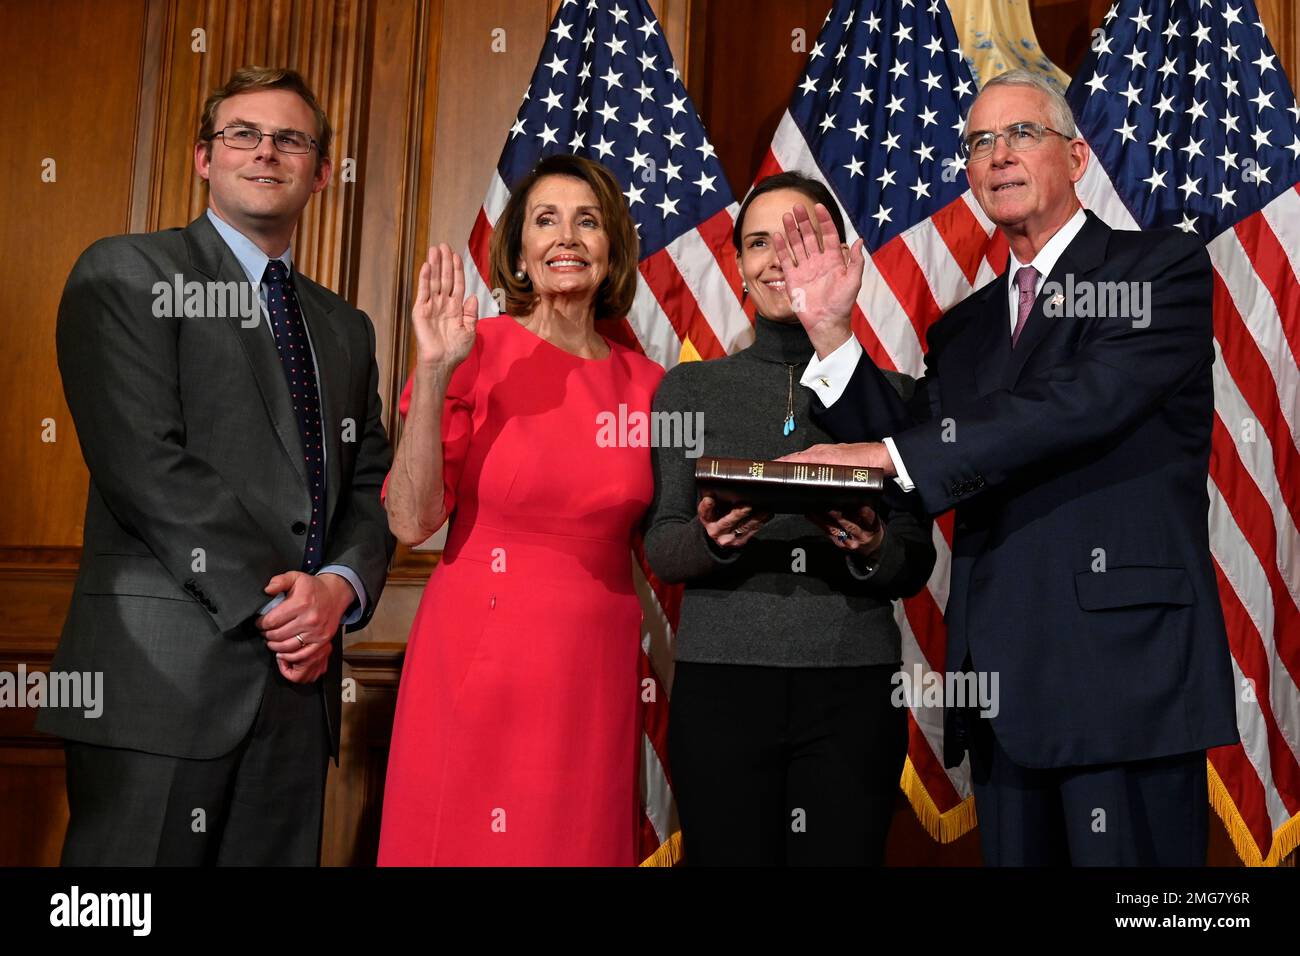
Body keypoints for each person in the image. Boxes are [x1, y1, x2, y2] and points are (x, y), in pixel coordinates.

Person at [780, 70, 1239, 865]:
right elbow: (922, 452)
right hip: (1000, 688)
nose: (998, 155)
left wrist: (892, 453)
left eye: (1022, 134)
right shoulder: (965, 330)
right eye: (980, 142)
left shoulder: (1155, 271)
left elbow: (1076, 405)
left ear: (1078, 157)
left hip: (1120, 678)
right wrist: (830, 336)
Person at [38, 66, 395, 865]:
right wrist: (279, 605)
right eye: (242, 133)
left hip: (298, 696)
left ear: (321, 171)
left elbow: (368, 483)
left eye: (291, 139)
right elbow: (146, 466)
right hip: (159, 685)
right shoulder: (128, 273)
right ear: (204, 158)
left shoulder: (344, 327)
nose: (266, 151)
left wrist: (337, 588)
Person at [377, 154, 663, 866]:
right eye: (546, 220)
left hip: (593, 671)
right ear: (519, 252)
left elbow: (674, 534)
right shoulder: (474, 350)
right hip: (478, 653)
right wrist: (437, 369)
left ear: (611, 249)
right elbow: (411, 522)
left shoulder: (651, 386)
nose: (567, 237)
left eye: (587, 221)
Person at [644, 172, 936, 866]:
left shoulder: (895, 394)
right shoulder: (689, 388)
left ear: (839, 254)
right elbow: (664, 546)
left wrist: (870, 548)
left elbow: (914, 559)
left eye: (802, 238)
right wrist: (711, 543)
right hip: (721, 688)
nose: (779, 258)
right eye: (758, 243)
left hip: (852, 690)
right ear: (738, 267)